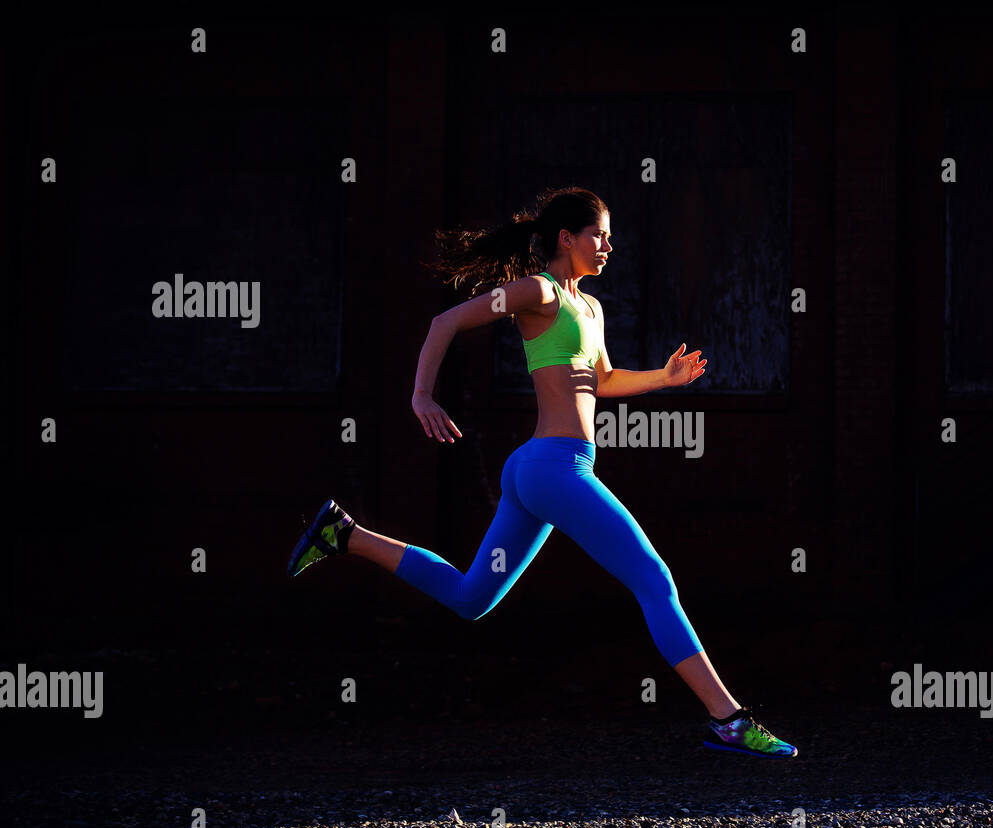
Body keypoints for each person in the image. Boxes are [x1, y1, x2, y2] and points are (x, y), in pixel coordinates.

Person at [287, 186, 796, 758]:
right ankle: (728, 720)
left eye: (608, 236)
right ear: (567, 238)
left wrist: (663, 377)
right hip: (553, 470)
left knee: (470, 597)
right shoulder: (539, 293)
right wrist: (421, 396)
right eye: (598, 235)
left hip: (540, 472)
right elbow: (445, 321)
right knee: (654, 581)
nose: (608, 245)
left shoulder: (590, 307)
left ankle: (342, 534)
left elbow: (601, 381)